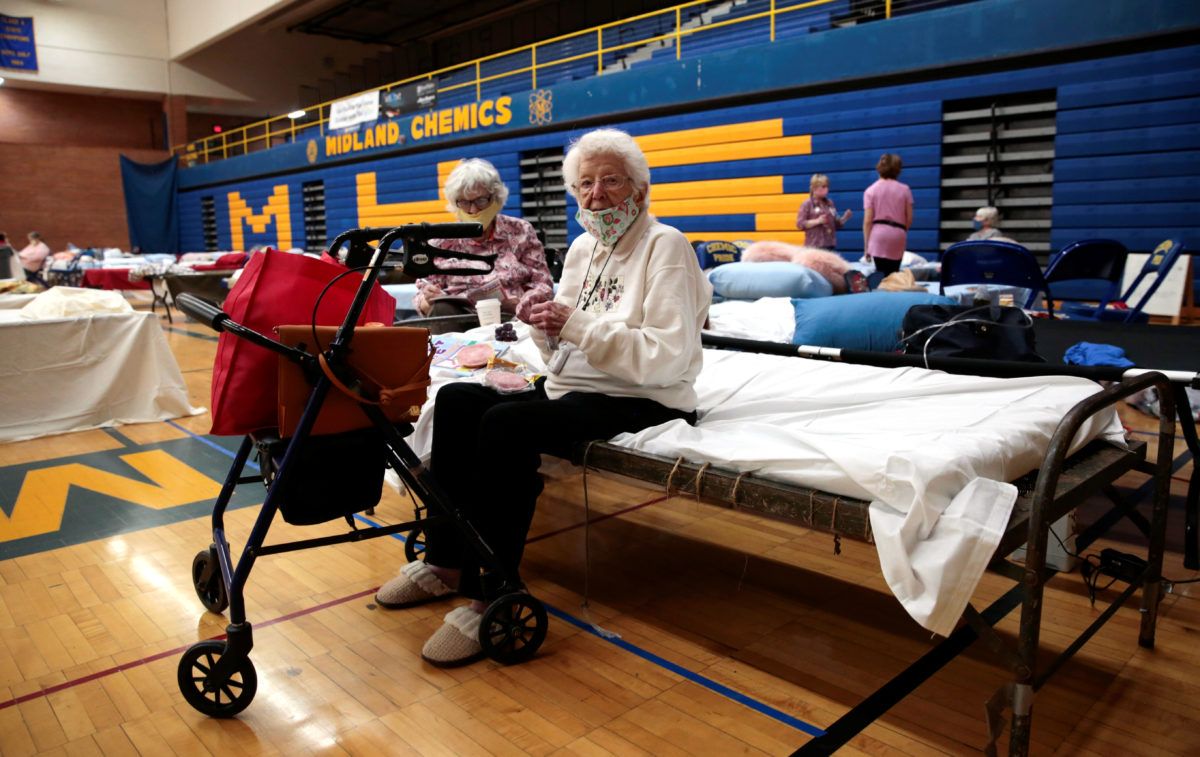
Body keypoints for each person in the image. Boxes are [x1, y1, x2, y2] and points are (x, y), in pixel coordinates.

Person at [375, 128, 712, 667]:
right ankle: (446, 563)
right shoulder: (583, 246)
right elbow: (562, 342)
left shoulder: (665, 246)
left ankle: (494, 587)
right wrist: (543, 327)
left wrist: (575, 327)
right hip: (578, 385)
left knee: (506, 426)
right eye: (584, 185)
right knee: (460, 400)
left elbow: (666, 357)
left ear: (640, 189)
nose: (595, 196)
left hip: (646, 395)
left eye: (610, 182)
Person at [413, 158, 554, 332]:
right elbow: (422, 289)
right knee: (443, 310)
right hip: (459, 324)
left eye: (480, 201)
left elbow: (544, 283)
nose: (473, 210)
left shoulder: (520, 230)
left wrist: (526, 300)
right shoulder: (441, 240)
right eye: (464, 202)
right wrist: (429, 301)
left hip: (512, 320)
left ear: (495, 198)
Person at [861, 154, 913, 276]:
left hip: (878, 234)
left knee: (881, 275)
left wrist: (867, 246)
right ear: (898, 170)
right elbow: (909, 217)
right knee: (894, 274)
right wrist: (901, 231)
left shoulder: (870, 190)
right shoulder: (905, 189)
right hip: (898, 234)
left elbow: (868, 221)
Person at [795, 173, 851, 251]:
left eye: (827, 186)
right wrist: (817, 221)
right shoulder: (807, 204)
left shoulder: (829, 203)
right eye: (823, 186)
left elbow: (837, 223)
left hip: (829, 244)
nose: (826, 189)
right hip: (814, 246)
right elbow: (800, 224)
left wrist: (845, 217)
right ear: (814, 188)